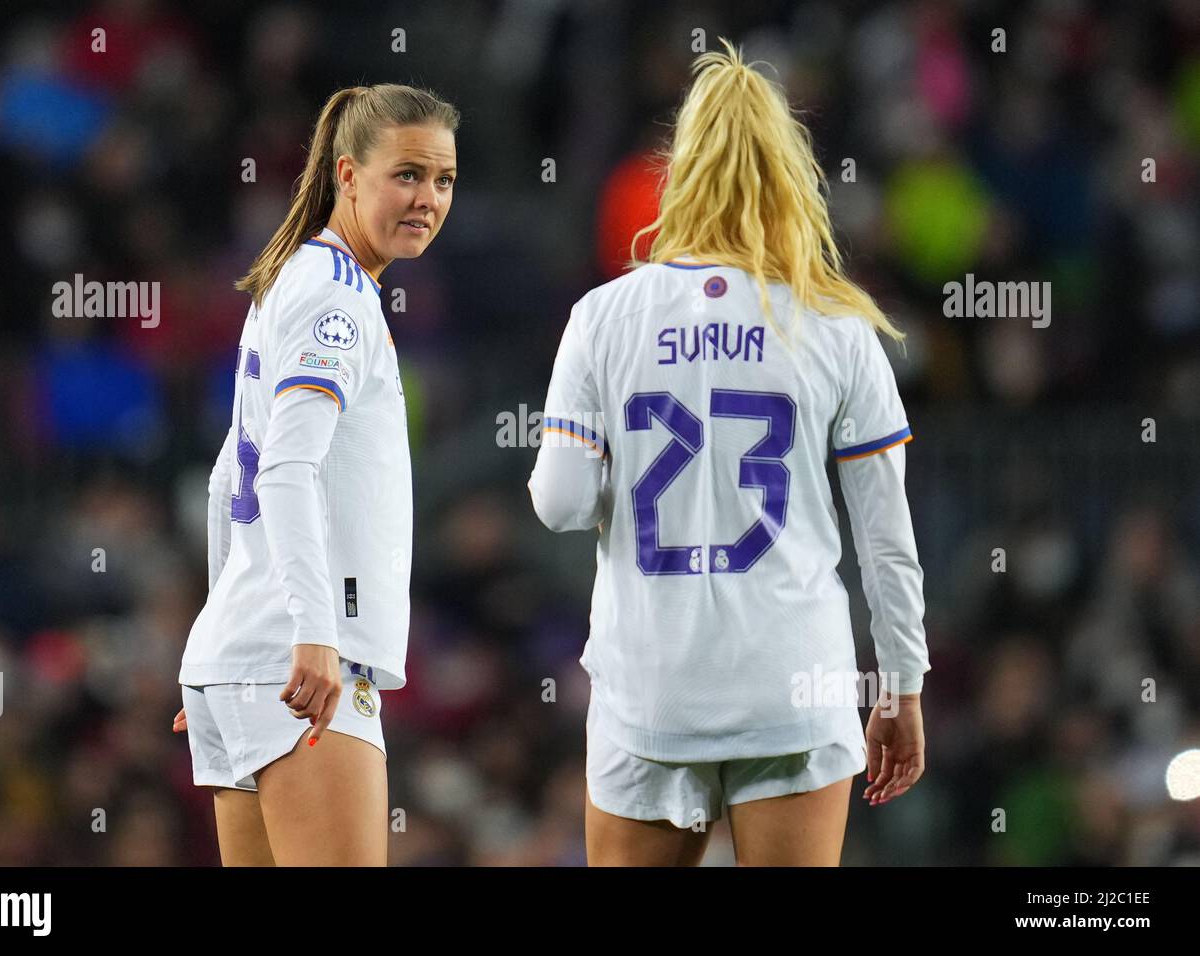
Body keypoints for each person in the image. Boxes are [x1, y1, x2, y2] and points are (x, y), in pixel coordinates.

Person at [528, 40, 928, 866]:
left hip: (652, 687)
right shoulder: (837, 326)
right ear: (790, 175)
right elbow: (886, 536)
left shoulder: (603, 317)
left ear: (677, 170)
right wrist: (902, 683)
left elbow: (561, 503)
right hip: (795, 685)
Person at [171, 83, 458, 866]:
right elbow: (283, 469)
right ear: (348, 175)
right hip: (298, 664)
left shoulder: (295, 282)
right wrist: (310, 633)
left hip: (250, 659)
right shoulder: (337, 299)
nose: (427, 198)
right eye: (407, 174)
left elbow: (228, 474)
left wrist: (227, 631)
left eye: (444, 180)